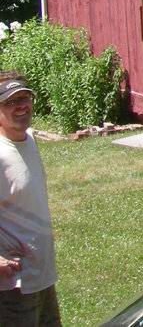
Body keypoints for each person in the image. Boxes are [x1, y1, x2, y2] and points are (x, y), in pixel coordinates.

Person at [0, 72, 60, 327]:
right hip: (14, 285)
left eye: (25, 98)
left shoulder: (30, 140)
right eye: (11, 101)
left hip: (43, 274)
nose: (22, 106)